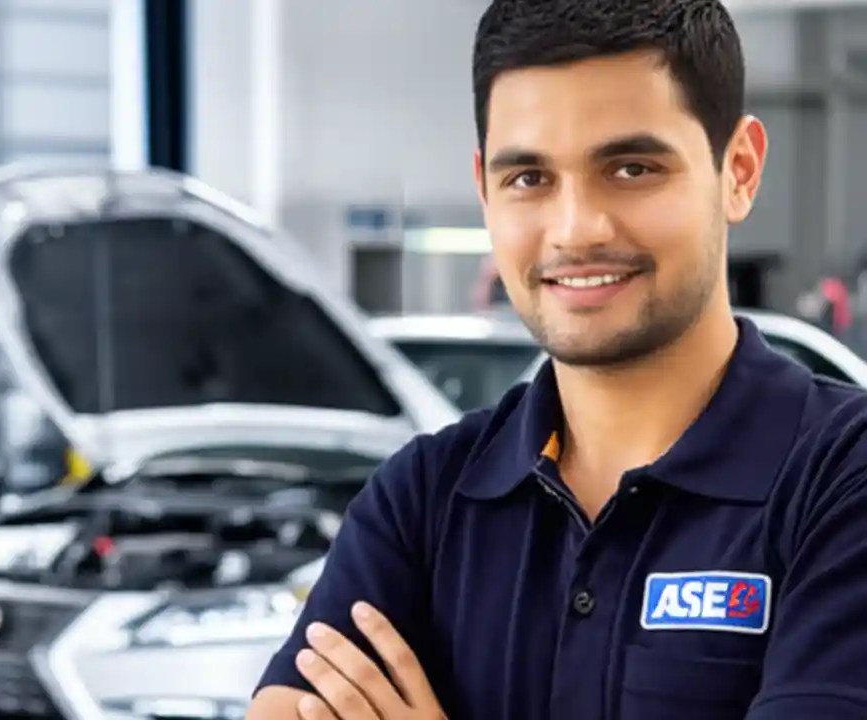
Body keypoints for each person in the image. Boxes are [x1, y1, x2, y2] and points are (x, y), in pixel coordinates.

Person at [246, 1, 867, 718]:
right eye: (529, 179)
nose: (576, 229)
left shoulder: (840, 483)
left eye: (632, 168)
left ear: (740, 170)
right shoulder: (423, 500)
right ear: (484, 188)